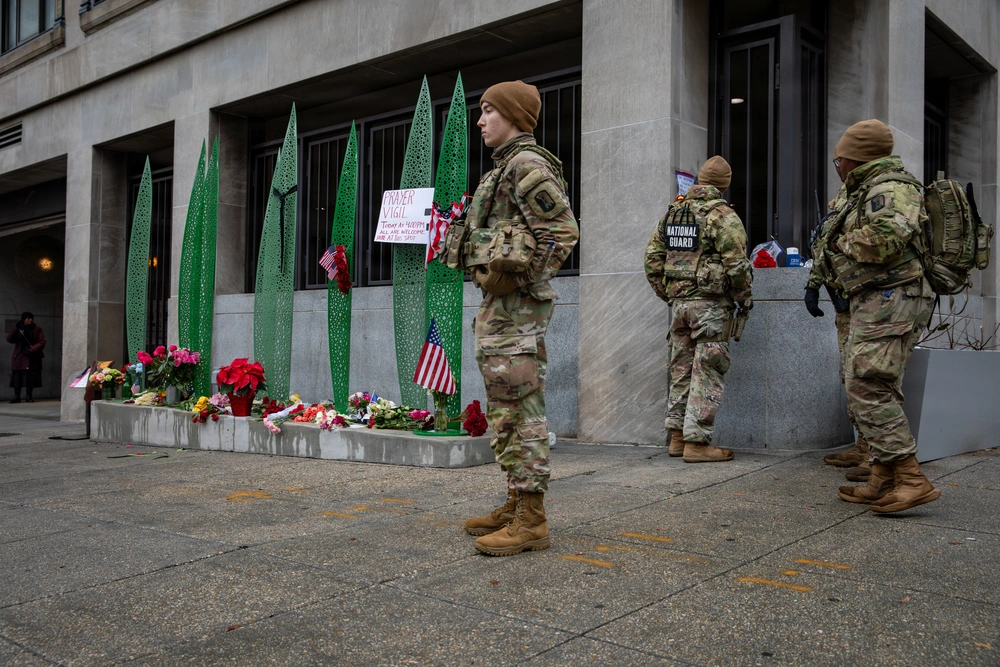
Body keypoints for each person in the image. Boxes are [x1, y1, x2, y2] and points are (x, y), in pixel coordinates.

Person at [452, 81, 579, 556]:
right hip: (503, 309)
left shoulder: (526, 165)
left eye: (489, 110)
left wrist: (521, 280)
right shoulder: (505, 166)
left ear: (513, 115)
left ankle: (532, 519)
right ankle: (515, 501)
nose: (480, 120)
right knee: (505, 407)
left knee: (521, 408)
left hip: (517, 310)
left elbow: (562, 231)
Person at [816, 119, 940, 513]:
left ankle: (911, 478)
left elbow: (886, 239)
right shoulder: (867, 189)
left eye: (839, 160)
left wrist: (837, 243)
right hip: (877, 298)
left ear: (855, 159)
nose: (838, 167)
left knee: (868, 386)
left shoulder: (891, 188)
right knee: (867, 382)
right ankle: (882, 477)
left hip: (893, 298)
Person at [644, 156, 753, 463]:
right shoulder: (723, 215)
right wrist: (743, 296)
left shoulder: (673, 214)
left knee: (681, 369)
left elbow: (652, 261)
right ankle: (697, 443)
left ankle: (677, 438)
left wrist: (670, 295)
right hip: (710, 307)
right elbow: (737, 265)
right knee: (708, 370)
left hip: (680, 307)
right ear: (723, 186)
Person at [805, 187, 872, 482]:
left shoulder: (872, 199)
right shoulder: (843, 207)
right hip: (846, 304)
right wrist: (813, 285)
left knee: (870, 377)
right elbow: (825, 250)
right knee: (849, 375)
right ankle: (864, 444)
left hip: (871, 302)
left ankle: (879, 454)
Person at [7, 312, 45, 404]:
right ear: (23, 320)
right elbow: (9, 339)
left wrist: (32, 349)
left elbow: (42, 342)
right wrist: (15, 328)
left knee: (30, 377)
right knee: (17, 377)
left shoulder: (37, 329)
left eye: (31, 318)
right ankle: (16, 396)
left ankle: (29, 396)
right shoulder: (18, 329)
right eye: (27, 318)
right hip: (19, 355)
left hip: (31, 356)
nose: (30, 320)